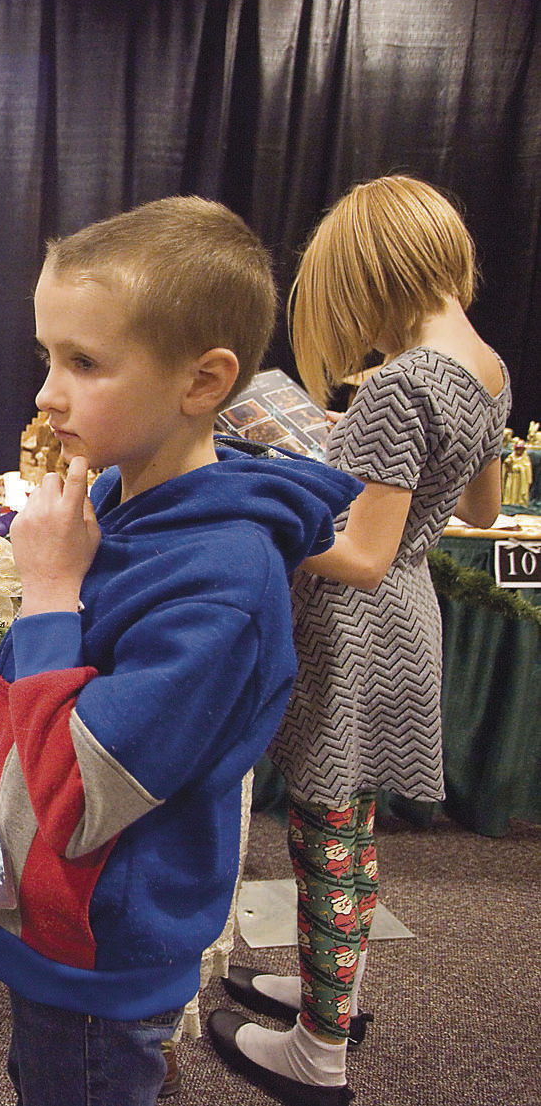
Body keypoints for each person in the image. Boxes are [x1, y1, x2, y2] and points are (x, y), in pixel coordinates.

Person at [0, 197, 361, 1106]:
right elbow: (85, 677)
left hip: (100, 959)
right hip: (56, 932)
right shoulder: (130, 494)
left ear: (202, 383)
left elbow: (81, 794)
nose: (48, 391)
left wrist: (49, 590)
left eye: (84, 362)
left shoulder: (223, 582)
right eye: (47, 355)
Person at [208, 175, 510, 1106]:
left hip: (358, 627)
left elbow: (363, 557)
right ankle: (328, 989)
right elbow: (480, 508)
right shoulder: (487, 367)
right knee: (350, 825)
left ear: (372, 280)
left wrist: (269, 495)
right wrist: (360, 453)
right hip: (412, 620)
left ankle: (319, 1051)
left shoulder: (399, 383)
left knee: (326, 831)